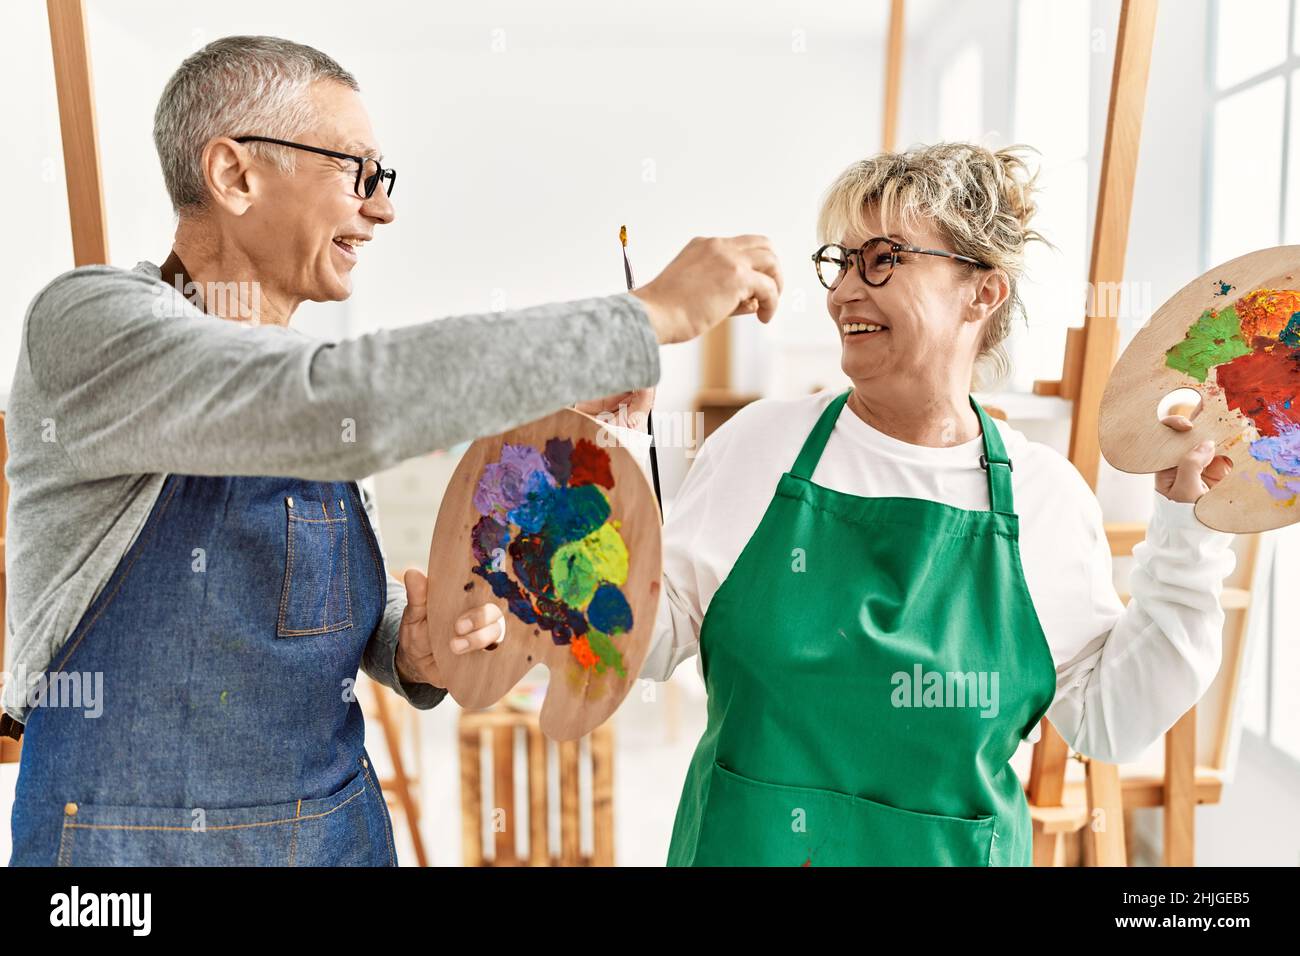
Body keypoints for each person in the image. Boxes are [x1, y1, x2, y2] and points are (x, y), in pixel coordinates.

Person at [4, 34, 781, 866]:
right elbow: (336, 396)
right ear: (235, 175)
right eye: (356, 171)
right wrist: (641, 319)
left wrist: (412, 645)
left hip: (332, 838)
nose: (382, 208)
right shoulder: (91, 323)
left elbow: (344, 613)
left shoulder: (316, 388)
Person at [451, 142, 1236, 867]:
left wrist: (1188, 538)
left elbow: (1110, 720)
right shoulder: (760, 447)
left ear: (982, 293)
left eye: (885, 260)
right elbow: (643, 643)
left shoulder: (1047, 499)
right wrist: (585, 456)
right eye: (843, 261)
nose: (846, 291)